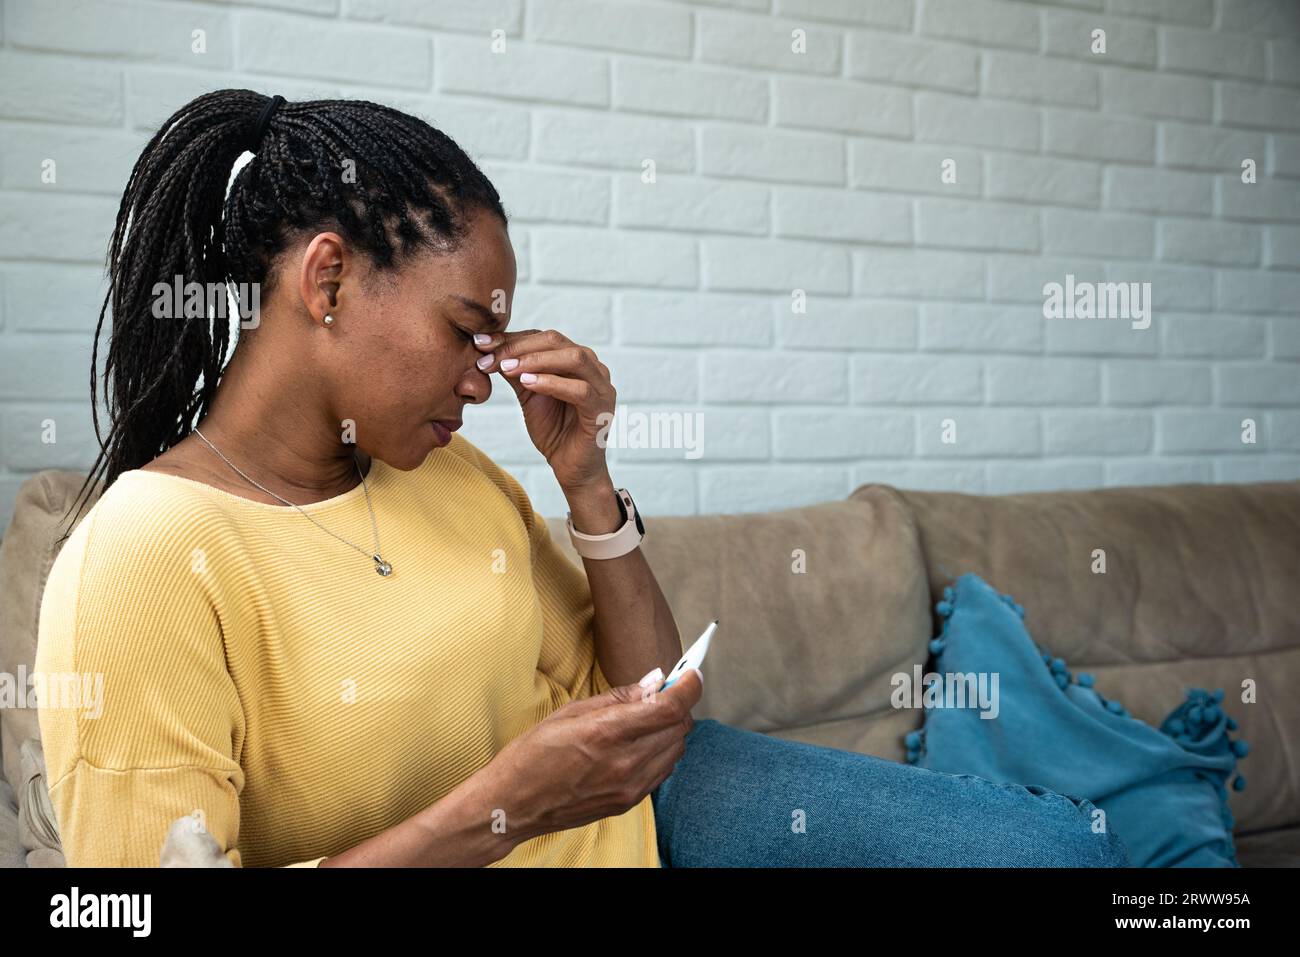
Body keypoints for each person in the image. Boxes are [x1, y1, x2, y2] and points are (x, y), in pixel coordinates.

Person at [34, 91, 1129, 868]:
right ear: (327, 280)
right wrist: (503, 809)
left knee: (1060, 847)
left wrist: (588, 487)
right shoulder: (141, 560)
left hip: (659, 815)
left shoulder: (452, 474)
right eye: (467, 331)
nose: (483, 380)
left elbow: (649, 711)